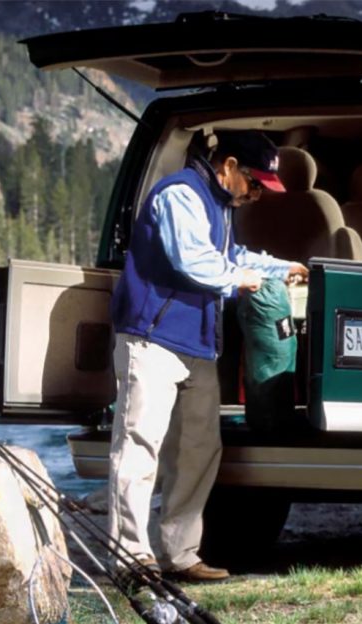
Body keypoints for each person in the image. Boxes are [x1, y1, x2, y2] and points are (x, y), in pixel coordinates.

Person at [107, 130, 308, 581]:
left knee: (198, 451)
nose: (256, 195)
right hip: (152, 337)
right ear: (229, 166)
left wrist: (281, 268)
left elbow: (230, 253)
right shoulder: (180, 194)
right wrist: (242, 279)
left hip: (197, 344)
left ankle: (180, 553)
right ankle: (130, 558)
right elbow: (194, 261)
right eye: (254, 184)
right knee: (139, 447)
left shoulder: (219, 205)